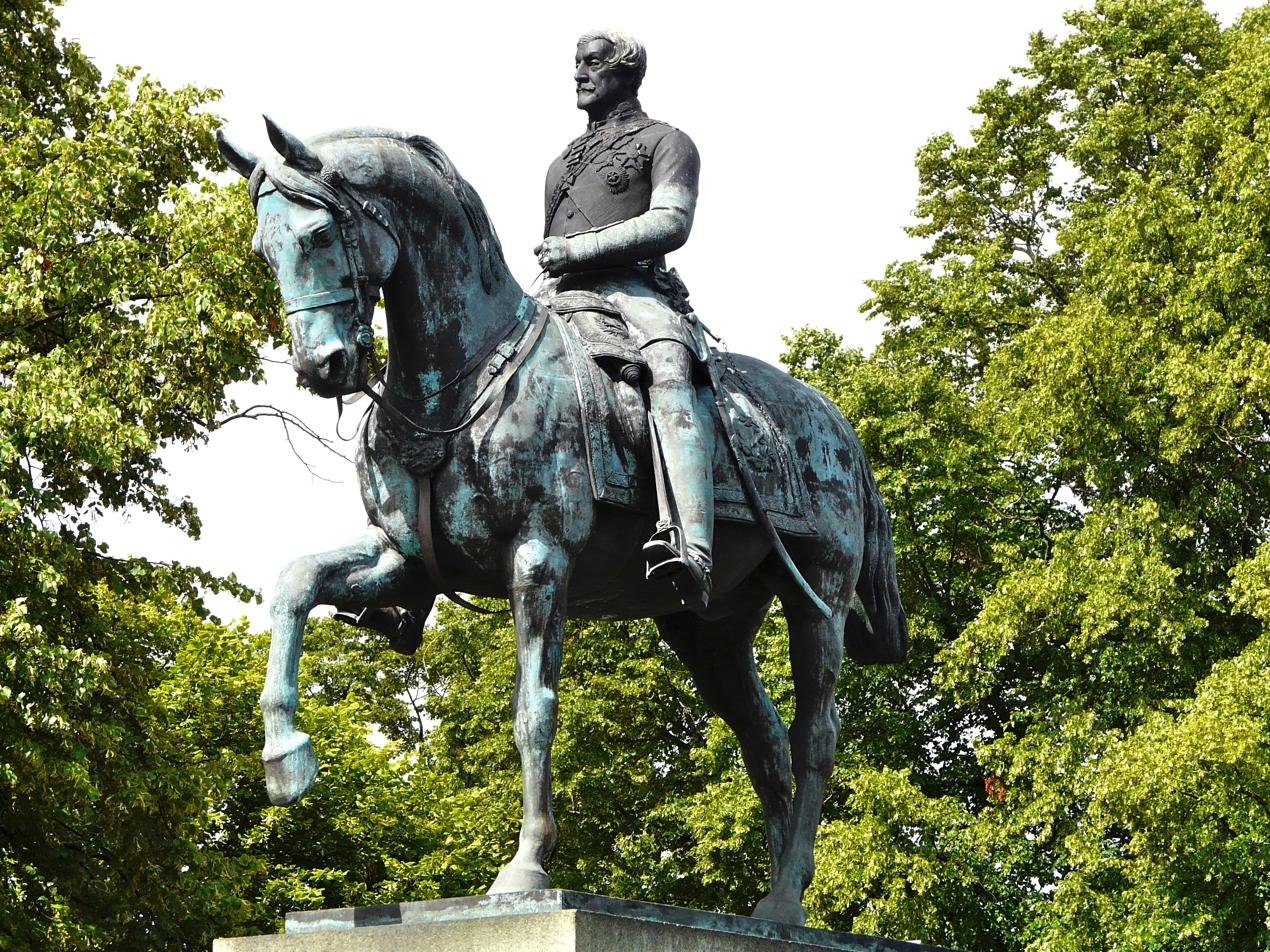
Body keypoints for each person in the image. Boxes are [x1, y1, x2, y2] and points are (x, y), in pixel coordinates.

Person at [534, 29, 713, 611]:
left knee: (666, 365)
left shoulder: (667, 141)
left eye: (591, 65)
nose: (579, 75)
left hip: (633, 291)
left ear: (625, 73)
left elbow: (671, 222)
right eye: (576, 65)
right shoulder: (561, 161)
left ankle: (693, 545)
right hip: (559, 294)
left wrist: (580, 251)